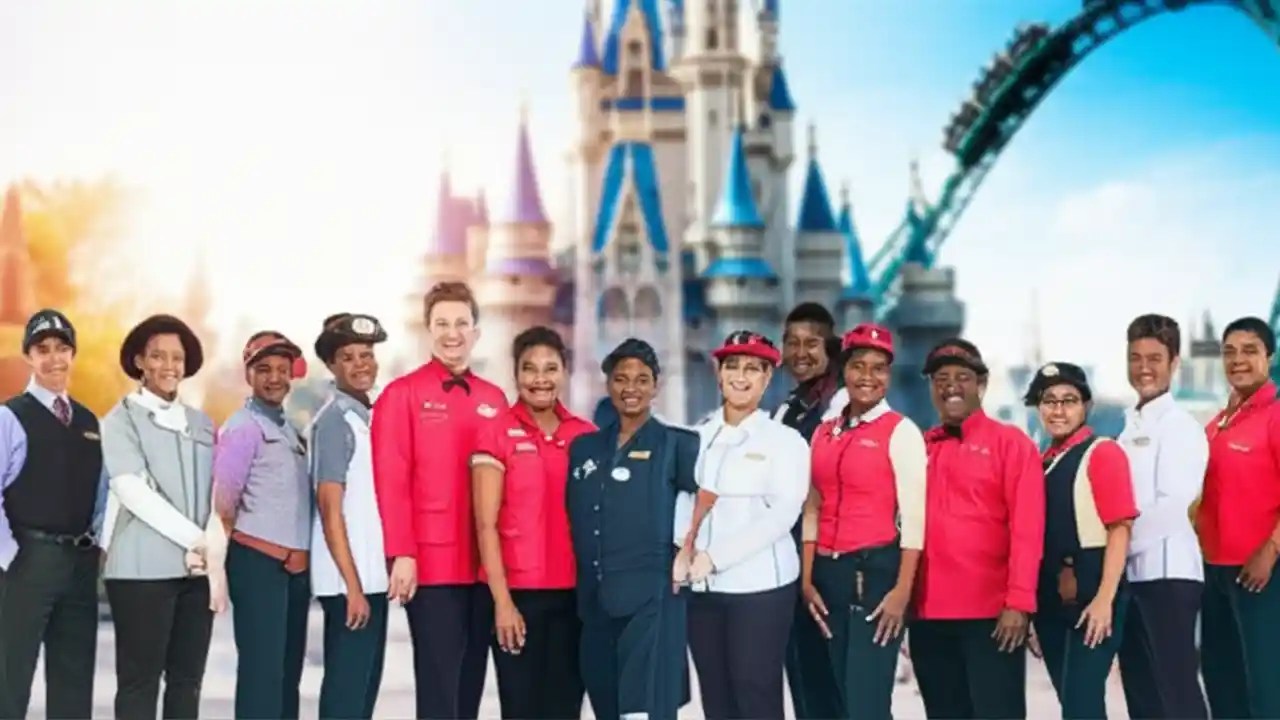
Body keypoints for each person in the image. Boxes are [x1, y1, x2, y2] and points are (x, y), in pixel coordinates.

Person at [372, 281, 507, 720]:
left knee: (471, 683)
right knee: (438, 685)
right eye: (442, 323)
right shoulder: (401, 395)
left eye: (462, 323)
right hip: (431, 567)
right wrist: (402, 554)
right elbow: (390, 480)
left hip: (485, 567)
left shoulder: (494, 398)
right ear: (428, 329)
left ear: (476, 331)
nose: (453, 333)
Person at [100, 313, 229, 720]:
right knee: (139, 684)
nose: (169, 366)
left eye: (177, 357)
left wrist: (211, 544)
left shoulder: (201, 423)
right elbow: (132, 491)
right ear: (140, 361)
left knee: (187, 682)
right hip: (141, 574)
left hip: (195, 575)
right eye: (158, 356)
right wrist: (200, 541)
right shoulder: (120, 421)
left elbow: (216, 491)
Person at [909, 338, 1044, 720]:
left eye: (962, 377)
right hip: (928, 615)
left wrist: (1019, 602)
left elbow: (1027, 528)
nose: (951, 386)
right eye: (941, 378)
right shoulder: (920, 448)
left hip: (992, 615)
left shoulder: (1011, 444)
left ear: (981, 384)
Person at [566, 338, 700, 720]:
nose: (631, 388)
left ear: (656, 385)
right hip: (595, 605)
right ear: (608, 383)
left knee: (645, 713)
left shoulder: (678, 445)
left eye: (642, 379)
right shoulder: (585, 449)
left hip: (653, 603)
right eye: (622, 378)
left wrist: (687, 553)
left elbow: (709, 507)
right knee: (608, 708)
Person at [679, 330, 809, 720]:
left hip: (760, 588)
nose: (741, 376)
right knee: (716, 700)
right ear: (718, 373)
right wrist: (681, 550)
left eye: (753, 368)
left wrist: (714, 557)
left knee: (756, 696)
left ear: (768, 377)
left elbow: (782, 514)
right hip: (702, 591)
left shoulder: (785, 442)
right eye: (732, 366)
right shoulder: (694, 437)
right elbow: (683, 500)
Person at [801, 324, 927, 720]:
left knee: (866, 705)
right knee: (839, 697)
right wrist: (807, 579)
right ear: (844, 370)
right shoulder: (824, 432)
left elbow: (915, 517)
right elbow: (813, 507)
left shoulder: (900, 431)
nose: (868, 377)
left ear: (889, 374)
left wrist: (902, 592)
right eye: (859, 366)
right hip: (827, 577)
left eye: (879, 368)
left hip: (874, 576)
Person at [471, 326, 595, 720]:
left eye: (550, 368)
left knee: (565, 709)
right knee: (521, 708)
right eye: (530, 369)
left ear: (564, 372)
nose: (540, 379)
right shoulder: (496, 433)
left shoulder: (586, 436)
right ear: (516, 374)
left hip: (575, 600)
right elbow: (485, 526)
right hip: (517, 598)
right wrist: (503, 604)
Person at [0, 309, 108, 719]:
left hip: (79, 565)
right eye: (42, 350)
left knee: (73, 684)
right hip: (27, 562)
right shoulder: (9, 417)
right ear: (29, 356)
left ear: (73, 354)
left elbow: (99, 491)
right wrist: (10, 559)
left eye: (62, 349)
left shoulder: (87, 420)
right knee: (10, 683)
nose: (54, 358)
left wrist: (96, 547)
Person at [1024, 362, 1137, 719]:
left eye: (1069, 400)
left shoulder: (1102, 452)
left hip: (1092, 596)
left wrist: (1105, 600)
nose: (1059, 410)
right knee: (1072, 704)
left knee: (1081, 705)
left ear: (1085, 406)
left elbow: (1120, 527)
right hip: (1051, 603)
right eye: (1050, 400)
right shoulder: (1041, 463)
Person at [213, 331, 312, 720]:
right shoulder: (242, 428)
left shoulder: (288, 429)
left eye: (282, 370)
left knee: (288, 675)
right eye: (264, 369)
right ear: (248, 374)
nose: (275, 378)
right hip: (258, 566)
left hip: (293, 573)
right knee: (261, 675)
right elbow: (224, 502)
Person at [1115, 314, 1208, 719]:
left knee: (1178, 692)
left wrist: (1117, 552)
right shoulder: (1128, 427)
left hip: (1169, 577)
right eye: (1135, 357)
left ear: (1174, 362)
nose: (1143, 367)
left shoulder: (1181, 427)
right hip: (1133, 579)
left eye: (1154, 357)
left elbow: (1173, 506)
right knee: (1143, 695)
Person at [308, 313, 391, 720]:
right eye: (348, 357)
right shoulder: (333, 421)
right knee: (345, 695)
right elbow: (329, 508)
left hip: (372, 579)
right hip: (348, 584)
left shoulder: (368, 418)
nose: (361, 364)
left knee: (363, 695)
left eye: (367, 354)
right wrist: (353, 587)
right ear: (331, 365)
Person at [1199, 316, 1280, 719]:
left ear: (1270, 355)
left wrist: (1271, 548)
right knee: (1221, 684)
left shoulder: (1276, 416)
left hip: (1262, 574)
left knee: (1266, 691)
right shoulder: (1217, 424)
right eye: (1229, 352)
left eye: (1250, 350)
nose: (1238, 360)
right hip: (1214, 572)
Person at [772, 302, 844, 719]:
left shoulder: (842, 403)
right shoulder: (788, 409)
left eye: (811, 343)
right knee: (803, 677)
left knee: (836, 681)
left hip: (831, 560)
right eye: (792, 343)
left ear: (830, 348)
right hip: (792, 561)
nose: (801, 352)